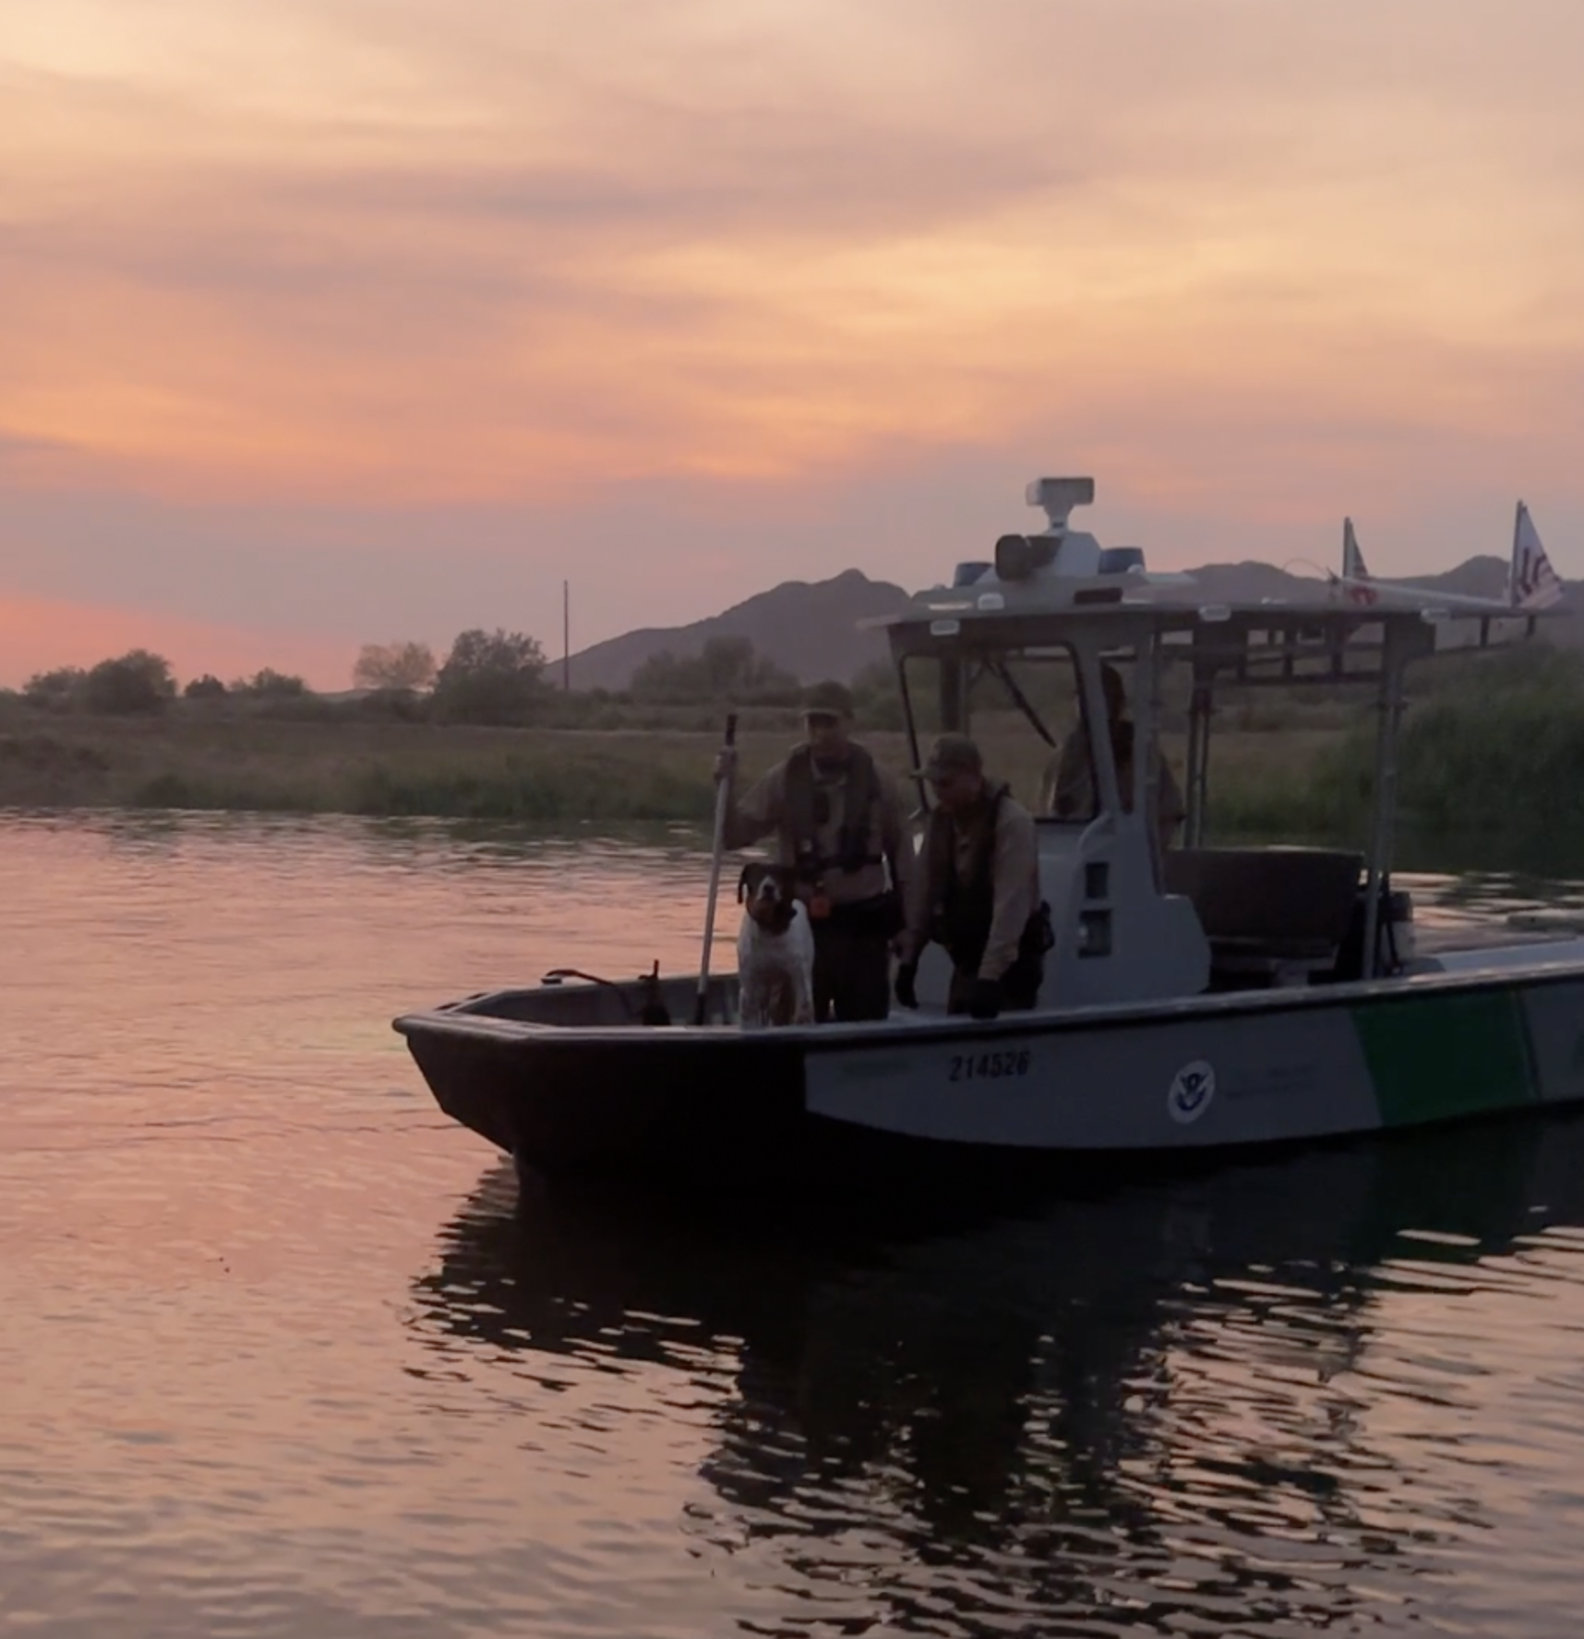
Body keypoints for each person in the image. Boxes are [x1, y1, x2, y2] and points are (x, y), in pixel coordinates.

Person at [715, 680, 914, 1023]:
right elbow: (731, 836)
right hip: (800, 929)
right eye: (812, 722)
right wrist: (725, 784)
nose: (820, 732)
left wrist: (910, 927)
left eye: (829, 722)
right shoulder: (782, 780)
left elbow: (905, 862)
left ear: (850, 722)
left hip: (864, 931)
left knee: (865, 1025)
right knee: (795, 1025)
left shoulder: (880, 782)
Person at [893, 734, 1049, 1021]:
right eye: (933, 784)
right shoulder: (941, 822)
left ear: (973, 777)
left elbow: (1011, 906)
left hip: (1010, 967)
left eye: (945, 783)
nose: (938, 792)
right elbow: (924, 893)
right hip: (966, 963)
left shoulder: (1012, 823)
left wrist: (989, 977)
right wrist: (909, 959)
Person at [1041, 663, 1185, 853]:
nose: (1088, 705)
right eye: (1082, 698)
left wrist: (1145, 854)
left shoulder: (1141, 753)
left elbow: (1169, 814)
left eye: (1101, 697)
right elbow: (1050, 814)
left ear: (1117, 702)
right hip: (1075, 855)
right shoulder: (1065, 755)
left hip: (1126, 858)